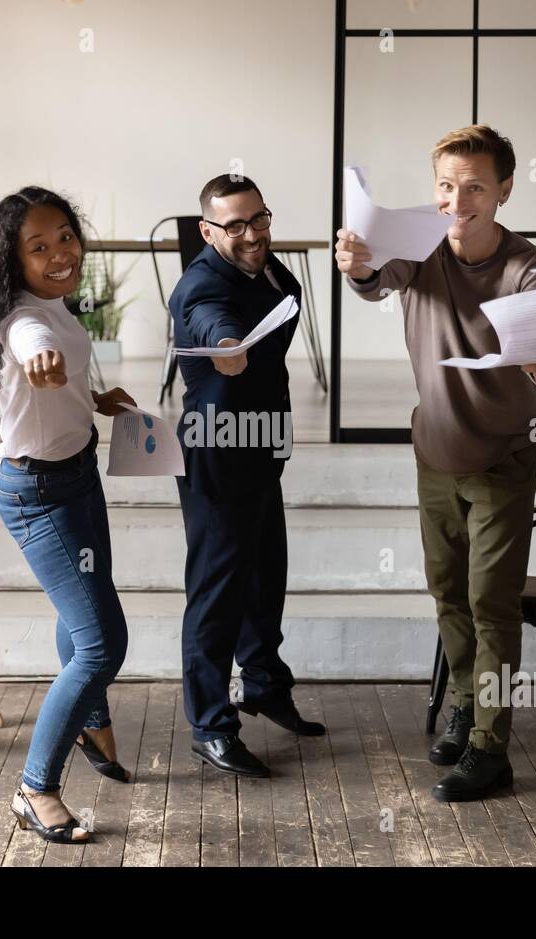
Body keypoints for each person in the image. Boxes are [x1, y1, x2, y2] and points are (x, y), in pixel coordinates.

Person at [336, 125, 536, 802]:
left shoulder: (529, 267)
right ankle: (466, 705)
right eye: (445, 185)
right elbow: (380, 278)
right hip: (435, 451)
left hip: (504, 456)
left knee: (490, 603)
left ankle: (492, 748)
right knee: (448, 593)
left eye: (472, 187)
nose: (456, 200)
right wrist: (357, 264)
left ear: (502, 192)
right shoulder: (421, 244)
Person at [0, 186, 134, 844]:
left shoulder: (54, 304)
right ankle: (35, 790)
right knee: (103, 642)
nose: (59, 254)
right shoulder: (23, 320)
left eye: (65, 237)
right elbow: (35, 351)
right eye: (39, 247)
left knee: (80, 618)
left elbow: (61, 370)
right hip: (38, 494)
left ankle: (92, 721)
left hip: (77, 474)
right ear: (10, 261)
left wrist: (95, 397)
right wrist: (42, 366)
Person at [171, 174, 325, 780]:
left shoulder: (270, 265)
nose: (251, 233)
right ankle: (210, 724)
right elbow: (209, 317)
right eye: (234, 225)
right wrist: (225, 343)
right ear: (209, 231)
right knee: (217, 592)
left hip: (263, 445)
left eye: (258, 219)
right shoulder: (202, 283)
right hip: (218, 453)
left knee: (266, 576)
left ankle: (264, 685)